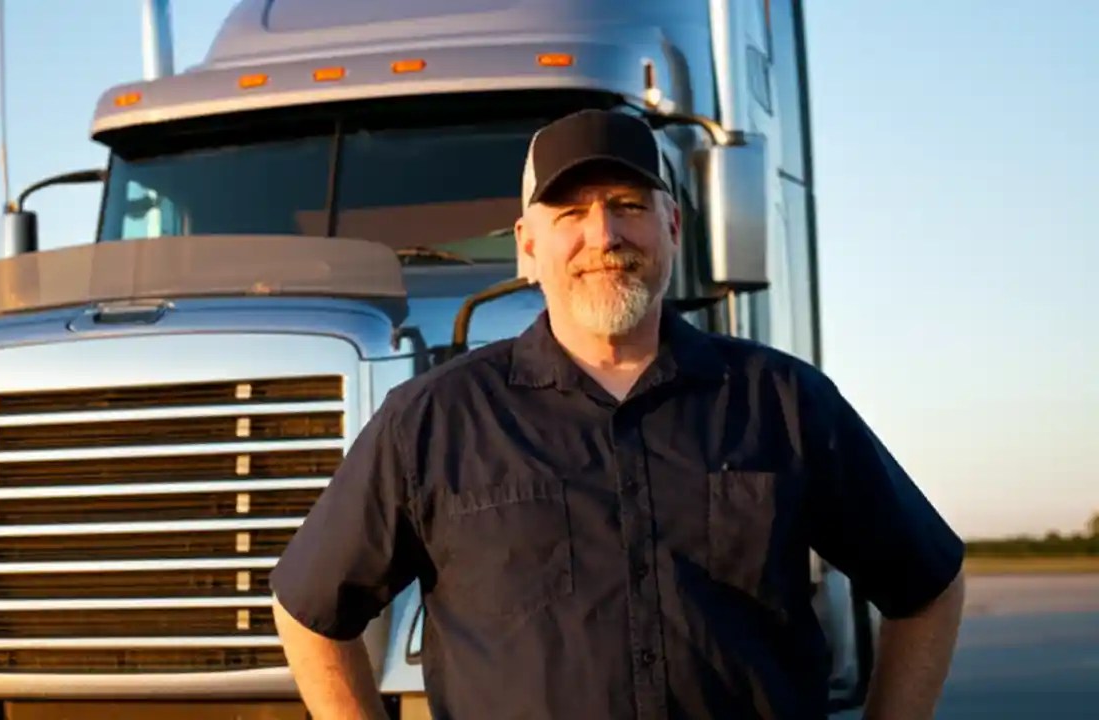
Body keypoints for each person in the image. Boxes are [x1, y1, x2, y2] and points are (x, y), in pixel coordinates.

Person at [270, 108, 966, 720]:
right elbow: (308, 607)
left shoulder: (782, 400)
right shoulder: (432, 419)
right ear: (527, 245)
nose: (603, 235)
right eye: (570, 213)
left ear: (672, 226)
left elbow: (928, 585)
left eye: (628, 204)